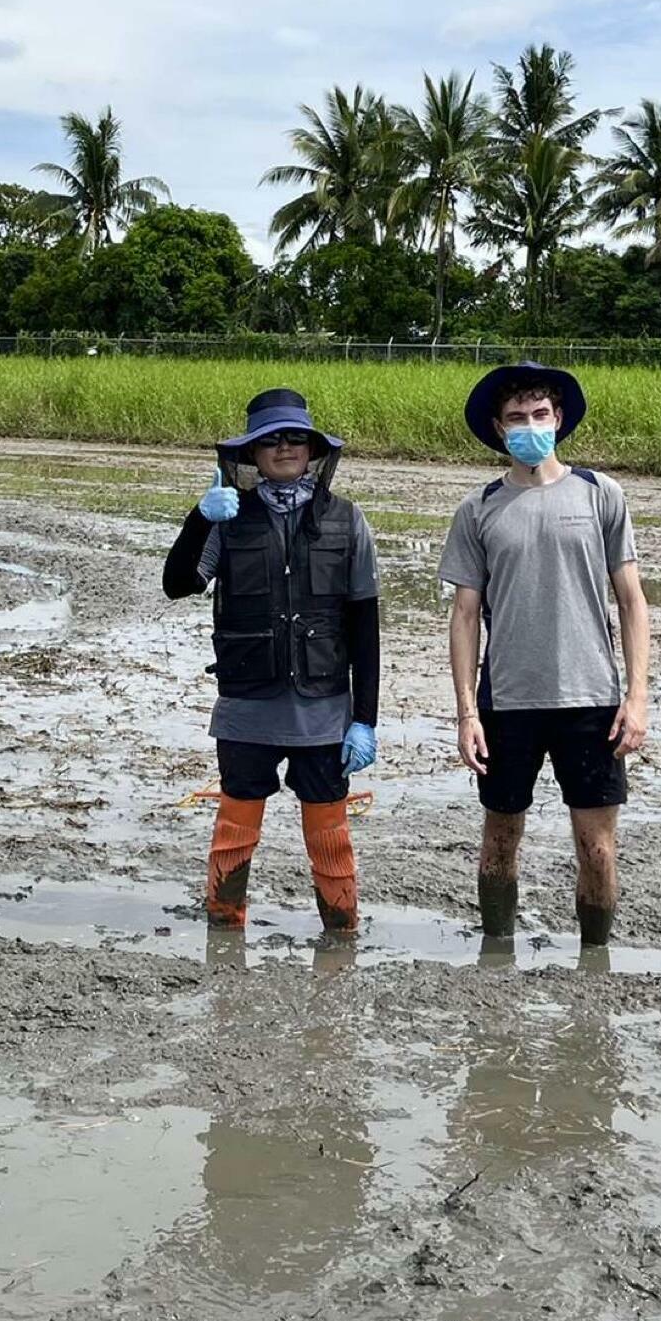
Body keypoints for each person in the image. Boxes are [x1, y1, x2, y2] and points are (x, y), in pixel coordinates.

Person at [438, 361, 651, 951]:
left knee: (597, 845)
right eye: (515, 418)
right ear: (498, 429)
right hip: (507, 700)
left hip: (592, 701)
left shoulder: (600, 494)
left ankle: (595, 956)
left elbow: (632, 601)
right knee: (500, 838)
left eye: (539, 414)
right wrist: (466, 713)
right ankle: (496, 951)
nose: (529, 425)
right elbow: (463, 616)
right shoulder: (479, 509)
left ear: (558, 420)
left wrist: (636, 699)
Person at [161, 387, 378, 936]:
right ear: (251, 455)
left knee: (330, 834)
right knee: (235, 829)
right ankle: (224, 925)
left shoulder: (347, 522)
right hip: (248, 706)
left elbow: (365, 628)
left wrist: (364, 719)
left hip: (324, 709)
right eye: (270, 440)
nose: (284, 448)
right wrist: (199, 519)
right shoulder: (228, 518)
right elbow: (178, 583)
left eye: (295, 439)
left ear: (312, 450)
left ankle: (341, 929)